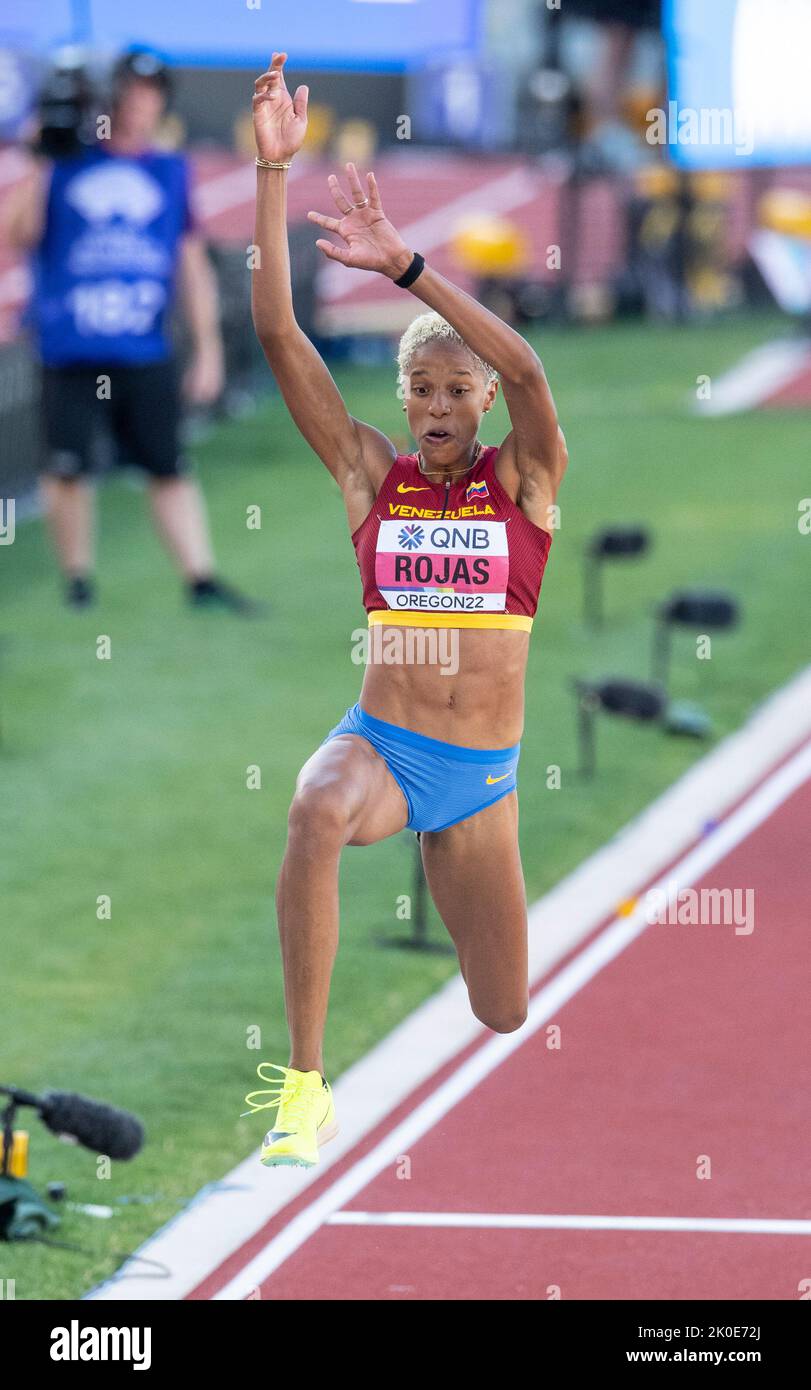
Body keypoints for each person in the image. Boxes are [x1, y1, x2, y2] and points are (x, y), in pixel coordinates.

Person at [240, 53, 568, 1167]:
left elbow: (529, 374)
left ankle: (451, 884)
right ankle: (302, 1082)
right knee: (313, 806)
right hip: (381, 741)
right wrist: (272, 171)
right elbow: (282, 339)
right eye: (419, 391)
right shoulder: (370, 479)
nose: (434, 407)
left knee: (503, 1010)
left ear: (476, 403)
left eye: (452, 392)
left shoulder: (522, 481)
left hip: (477, 775)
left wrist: (412, 269)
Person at [2, 49, 260, 612]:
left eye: (151, 93)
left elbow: (190, 264)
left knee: (168, 464)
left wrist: (209, 349)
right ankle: (78, 582)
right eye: (132, 91)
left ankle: (201, 579)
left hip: (143, 346)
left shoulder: (168, 170)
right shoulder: (67, 164)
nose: (142, 104)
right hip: (70, 345)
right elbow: (17, 233)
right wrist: (43, 159)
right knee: (67, 467)